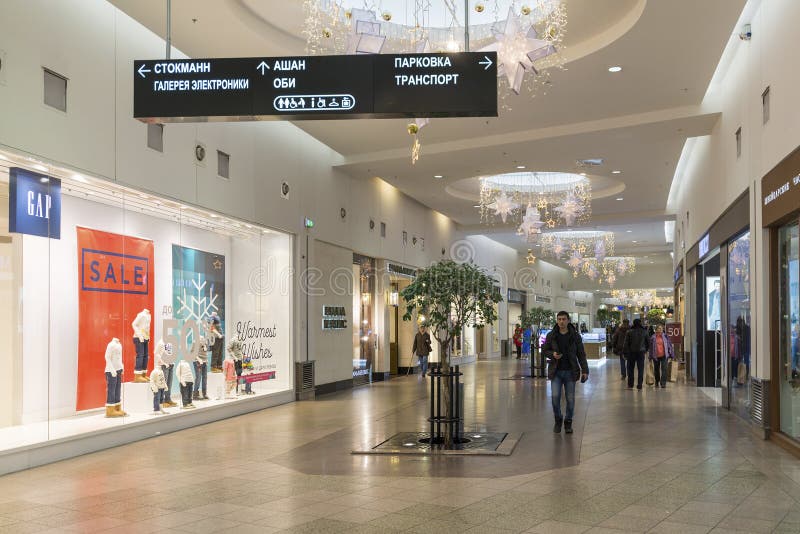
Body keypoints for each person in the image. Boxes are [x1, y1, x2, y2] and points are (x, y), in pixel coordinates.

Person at [543, 311, 589, 434]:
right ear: (557, 321)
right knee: (555, 397)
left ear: (568, 320)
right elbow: (545, 350)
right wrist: (552, 354)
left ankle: (568, 422)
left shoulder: (575, 336)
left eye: (563, 319)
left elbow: (581, 354)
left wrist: (585, 370)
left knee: (570, 399)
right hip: (556, 372)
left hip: (570, 371)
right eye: (559, 319)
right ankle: (558, 420)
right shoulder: (551, 335)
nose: (561, 322)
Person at [624, 318, 649, 390]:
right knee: (640, 369)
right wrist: (645, 350)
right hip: (641, 353)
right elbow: (648, 342)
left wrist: (625, 353)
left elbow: (626, 343)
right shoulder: (644, 331)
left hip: (631, 353)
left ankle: (630, 385)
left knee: (630, 369)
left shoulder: (629, 332)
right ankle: (640, 385)